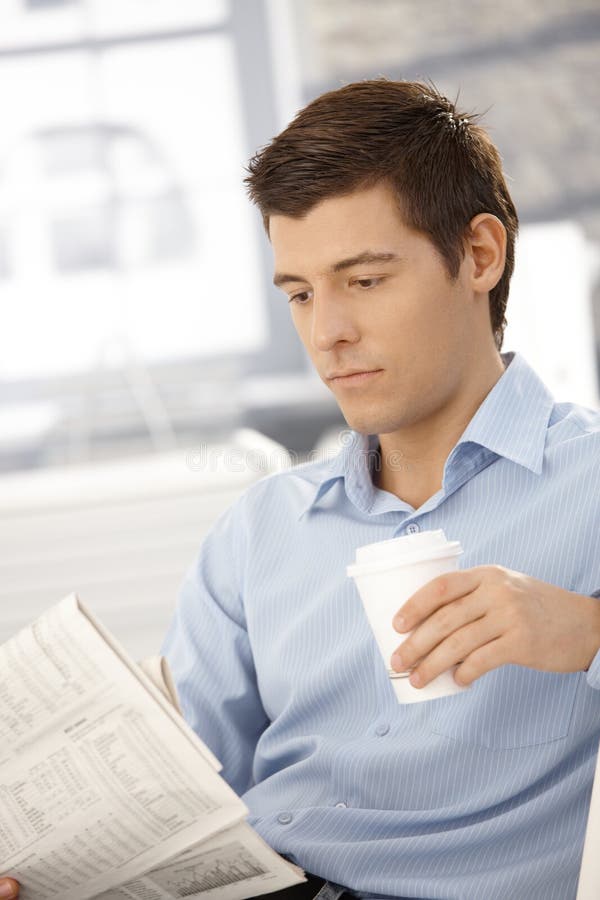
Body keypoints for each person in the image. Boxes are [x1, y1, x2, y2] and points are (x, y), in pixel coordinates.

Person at [2, 78, 599, 900]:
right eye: (301, 294)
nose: (328, 333)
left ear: (479, 257)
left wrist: (587, 634)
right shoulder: (262, 530)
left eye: (364, 280)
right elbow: (176, 800)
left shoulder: (589, 485)